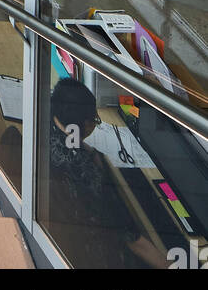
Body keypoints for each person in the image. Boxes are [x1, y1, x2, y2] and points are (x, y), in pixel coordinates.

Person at [42, 78, 166, 269]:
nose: (96, 123)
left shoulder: (44, 126)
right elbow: (132, 239)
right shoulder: (89, 173)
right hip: (97, 254)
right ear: (85, 125)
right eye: (95, 120)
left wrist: (87, 151)